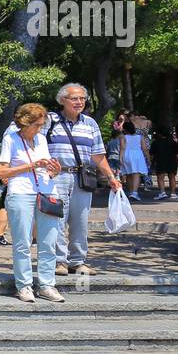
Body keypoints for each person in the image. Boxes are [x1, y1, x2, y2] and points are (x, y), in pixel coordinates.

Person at [45, 83, 124, 277]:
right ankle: (58, 261)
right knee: (57, 219)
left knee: (80, 220)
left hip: (82, 176)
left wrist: (111, 177)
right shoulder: (49, 121)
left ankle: (77, 261)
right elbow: (36, 146)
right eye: (74, 98)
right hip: (56, 176)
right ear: (62, 100)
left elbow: (97, 155)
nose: (79, 102)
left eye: (82, 98)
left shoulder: (90, 124)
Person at [0, 104, 66, 303]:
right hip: (21, 193)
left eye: (41, 125)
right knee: (23, 243)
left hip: (46, 192)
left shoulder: (42, 139)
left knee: (49, 242)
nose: (39, 129)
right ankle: (24, 285)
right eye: (36, 125)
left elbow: (48, 170)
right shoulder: (10, 139)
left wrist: (55, 169)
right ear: (25, 122)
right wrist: (31, 166)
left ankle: (47, 285)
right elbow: (1, 172)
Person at [118, 121, 150, 201]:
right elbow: (144, 149)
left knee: (128, 174)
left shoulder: (123, 137)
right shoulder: (140, 137)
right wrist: (148, 158)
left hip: (127, 155)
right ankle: (135, 192)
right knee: (136, 174)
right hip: (137, 155)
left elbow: (122, 148)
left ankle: (131, 191)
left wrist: (120, 158)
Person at [149, 125, 178, 199]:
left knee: (160, 177)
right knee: (172, 177)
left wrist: (152, 162)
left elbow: (152, 154)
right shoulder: (172, 142)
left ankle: (162, 192)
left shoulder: (155, 142)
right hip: (172, 160)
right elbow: (177, 153)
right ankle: (173, 193)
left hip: (160, 160)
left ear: (159, 133)